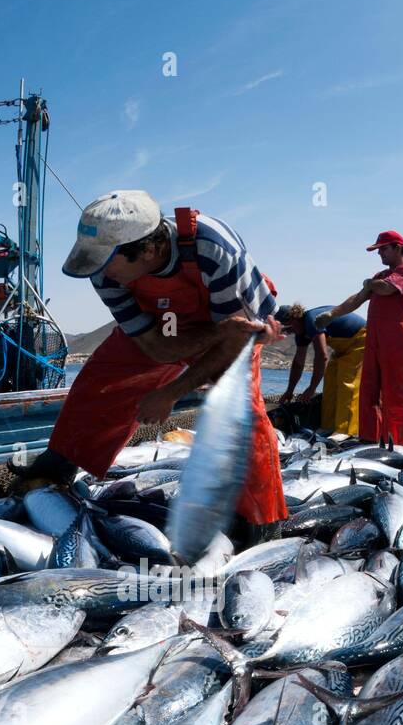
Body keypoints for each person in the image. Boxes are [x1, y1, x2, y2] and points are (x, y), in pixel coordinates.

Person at [21, 191, 288, 537]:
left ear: (147, 250)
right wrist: (210, 340)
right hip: (164, 327)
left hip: (236, 326)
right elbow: (155, 346)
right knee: (99, 385)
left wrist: (171, 393)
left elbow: (238, 337)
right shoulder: (103, 272)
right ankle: (57, 468)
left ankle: (261, 524)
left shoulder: (214, 249)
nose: (100, 274)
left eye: (108, 264)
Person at [315, 230, 403, 445]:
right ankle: (369, 440)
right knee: (369, 390)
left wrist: (370, 285)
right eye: (378, 249)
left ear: (398, 248)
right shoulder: (378, 277)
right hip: (374, 340)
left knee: (396, 394)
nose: (380, 253)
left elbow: (385, 289)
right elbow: (358, 298)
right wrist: (332, 314)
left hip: (398, 342)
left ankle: (396, 446)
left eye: (383, 248)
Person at [276, 302, 367, 434]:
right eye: (285, 330)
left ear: (295, 318)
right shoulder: (300, 331)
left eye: (289, 327)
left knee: (346, 383)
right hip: (342, 349)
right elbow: (298, 363)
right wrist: (289, 391)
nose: (289, 332)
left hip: (361, 340)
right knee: (330, 383)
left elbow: (322, 356)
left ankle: (345, 432)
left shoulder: (312, 320)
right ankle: (327, 428)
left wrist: (311, 389)